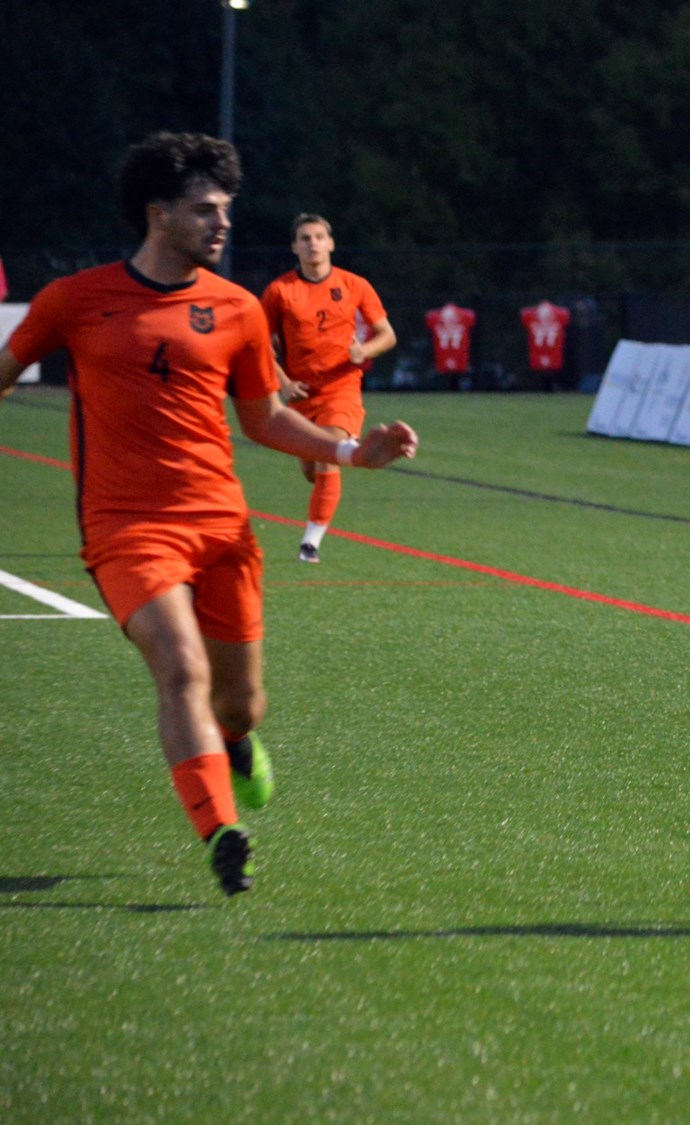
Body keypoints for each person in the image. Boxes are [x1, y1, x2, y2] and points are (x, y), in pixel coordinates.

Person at [0, 132, 419, 896]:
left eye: (226, 209)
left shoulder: (236, 309)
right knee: (180, 667)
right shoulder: (76, 300)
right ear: (158, 215)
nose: (223, 224)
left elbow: (262, 419)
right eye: (206, 211)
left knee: (239, 700)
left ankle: (234, 741)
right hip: (126, 528)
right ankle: (223, 832)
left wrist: (353, 452)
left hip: (224, 529)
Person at [261, 213, 397, 563]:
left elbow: (387, 335)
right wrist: (284, 383)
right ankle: (318, 485)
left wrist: (362, 350)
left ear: (331, 243)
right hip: (302, 394)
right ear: (294, 247)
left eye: (319, 236)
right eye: (305, 238)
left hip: (342, 388)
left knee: (327, 456)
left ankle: (310, 544)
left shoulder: (355, 285)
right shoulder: (280, 291)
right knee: (312, 466)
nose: (312, 243)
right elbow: (258, 345)